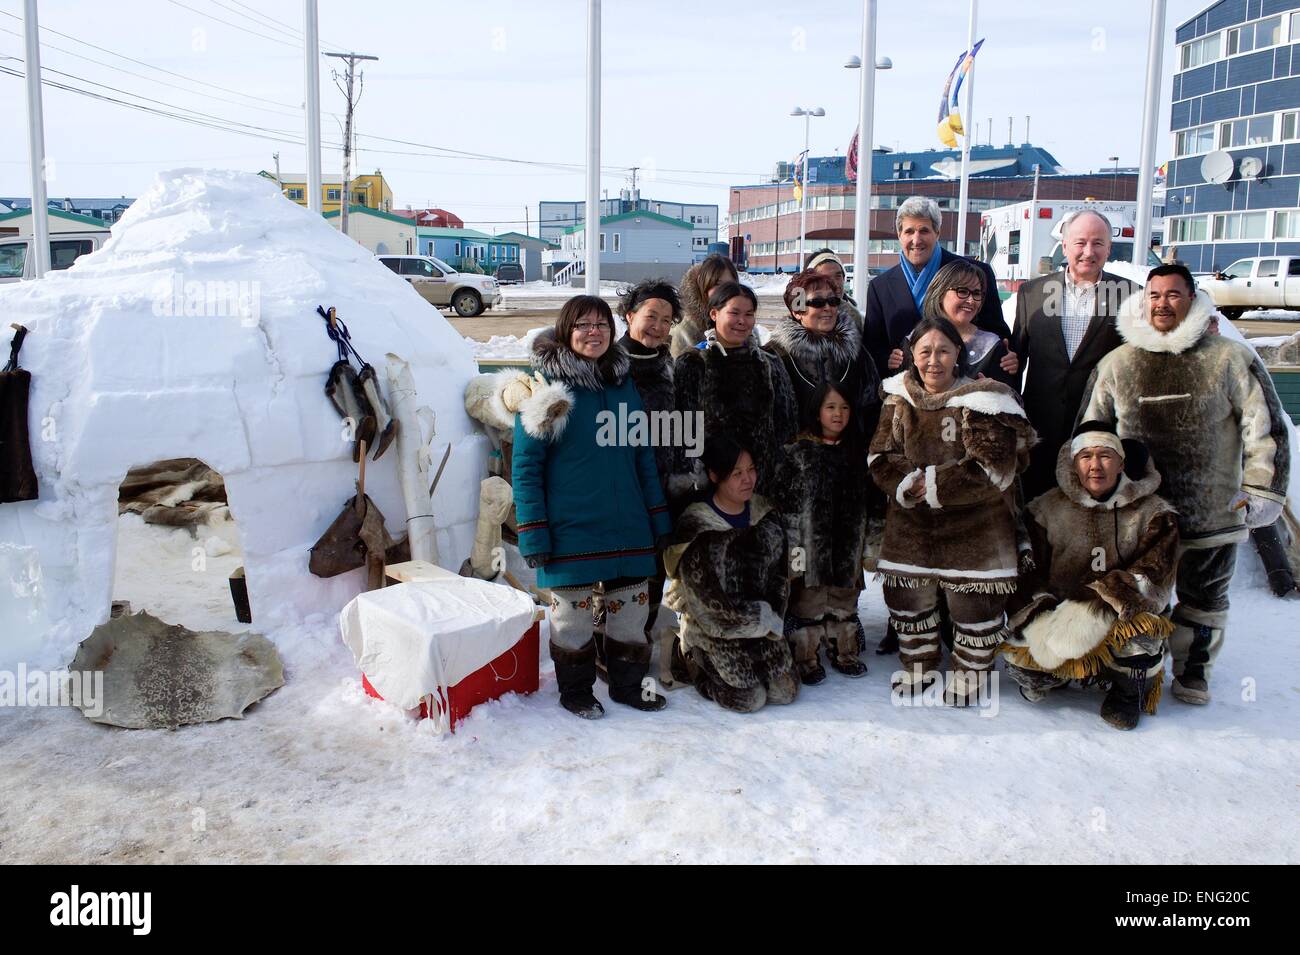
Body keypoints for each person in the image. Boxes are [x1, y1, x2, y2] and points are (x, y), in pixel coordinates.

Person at [1080, 264, 1291, 705]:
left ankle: (1194, 671)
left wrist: (1262, 489)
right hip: (1139, 514)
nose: (1162, 303)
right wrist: (1092, 490)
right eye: (1154, 295)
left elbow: (1265, 428)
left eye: (1173, 295)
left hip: (1212, 511)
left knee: (1204, 599)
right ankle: (1135, 671)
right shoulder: (1116, 364)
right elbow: (1090, 432)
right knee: (1139, 598)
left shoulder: (1229, 358)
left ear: (1193, 300)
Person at [513, 295, 673, 719]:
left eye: (601, 324)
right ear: (566, 332)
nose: (593, 332)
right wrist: (533, 530)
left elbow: (641, 456)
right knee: (573, 620)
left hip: (628, 524)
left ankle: (626, 686)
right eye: (582, 325)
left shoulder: (623, 384)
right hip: (571, 527)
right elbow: (526, 467)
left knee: (630, 614)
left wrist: (657, 516)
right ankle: (576, 691)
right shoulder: (546, 389)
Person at [868, 315, 1035, 703]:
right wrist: (908, 484)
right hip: (912, 523)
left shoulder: (984, 399)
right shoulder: (898, 398)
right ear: (912, 353)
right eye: (924, 351)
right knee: (907, 600)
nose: (933, 360)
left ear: (957, 353)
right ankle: (918, 663)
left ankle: (972, 671)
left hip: (976, 524)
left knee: (973, 606)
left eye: (943, 350)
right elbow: (880, 455)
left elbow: (994, 466)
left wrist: (937, 485)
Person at [1002, 421, 1180, 729]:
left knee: (1141, 635)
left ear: (1121, 462)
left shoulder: (1154, 513)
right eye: (1086, 456)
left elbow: (1154, 576)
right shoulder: (1044, 509)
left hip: (1119, 616)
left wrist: (1091, 606)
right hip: (1057, 616)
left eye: (1105, 456)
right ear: (1073, 463)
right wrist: (1043, 615)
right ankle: (1061, 672)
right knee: (1025, 666)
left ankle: (1127, 694)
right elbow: (1026, 572)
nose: (1095, 466)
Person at [662, 437, 799, 712]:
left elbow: (780, 577)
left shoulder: (765, 515)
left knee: (785, 693)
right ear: (715, 476)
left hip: (761, 624)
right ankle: (689, 656)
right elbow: (705, 602)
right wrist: (756, 619)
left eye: (751, 470)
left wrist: (771, 615)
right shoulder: (698, 526)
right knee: (749, 699)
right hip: (714, 628)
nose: (747, 479)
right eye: (737, 473)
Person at [1013, 209, 1139, 498]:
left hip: (1099, 428)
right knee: (1037, 505)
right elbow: (1015, 360)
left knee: (1090, 510)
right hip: (1039, 426)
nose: (1088, 251)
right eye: (1080, 242)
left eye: (1098, 243)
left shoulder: (1131, 295)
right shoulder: (1033, 293)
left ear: (1109, 248)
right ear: (1065, 245)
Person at [776, 382, 871, 683]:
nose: (838, 414)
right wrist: (792, 552)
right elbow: (786, 507)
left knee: (844, 604)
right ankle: (806, 658)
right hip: (808, 549)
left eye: (844, 407)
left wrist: (870, 548)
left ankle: (845, 652)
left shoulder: (860, 454)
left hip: (848, 546)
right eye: (830, 407)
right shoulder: (797, 452)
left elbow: (873, 505)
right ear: (817, 411)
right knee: (808, 605)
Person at [671, 281, 797, 504]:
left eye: (749, 314)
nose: (742, 321)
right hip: (711, 486)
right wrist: (695, 478)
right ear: (714, 313)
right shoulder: (693, 362)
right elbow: (683, 430)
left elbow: (785, 423)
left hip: (763, 487)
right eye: (734, 313)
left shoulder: (769, 361)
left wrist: (778, 469)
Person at [863, 196, 1013, 380]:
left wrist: (1008, 356)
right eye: (909, 231)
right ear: (899, 235)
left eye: (924, 231)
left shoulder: (974, 273)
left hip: (965, 384)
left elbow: (998, 332)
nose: (916, 240)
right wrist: (887, 359)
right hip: (906, 388)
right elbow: (872, 347)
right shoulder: (880, 286)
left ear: (937, 233)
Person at [616, 278, 681, 660]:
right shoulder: (611, 365)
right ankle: (613, 649)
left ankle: (637, 648)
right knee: (621, 573)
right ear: (629, 316)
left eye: (666, 319)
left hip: (663, 488)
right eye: (650, 316)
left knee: (653, 571)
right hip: (623, 487)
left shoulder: (668, 363)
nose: (657, 326)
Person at [767, 268, 881, 443]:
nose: (828, 308)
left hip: (850, 460)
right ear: (797, 311)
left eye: (833, 301)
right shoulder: (775, 356)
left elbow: (872, 407)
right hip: (795, 462)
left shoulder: (856, 352)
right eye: (818, 302)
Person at [919, 259, 1019, 387]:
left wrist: (992, 396)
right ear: (940, 293)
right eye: (962, 291)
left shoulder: (992, 348)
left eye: (976, 293)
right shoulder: (916, 341)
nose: (971, 300)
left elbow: (1011, 401)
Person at [670, 253, 738, 359]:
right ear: (704, 287)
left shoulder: (743, 325)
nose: (724, 291)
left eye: (730, 285)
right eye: (717, 284)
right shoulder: (685, 332)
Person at [805, 248, 863, 331]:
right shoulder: (797, 328)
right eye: (826, 278)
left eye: (838, 276)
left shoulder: (859, 322)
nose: (835, 284)